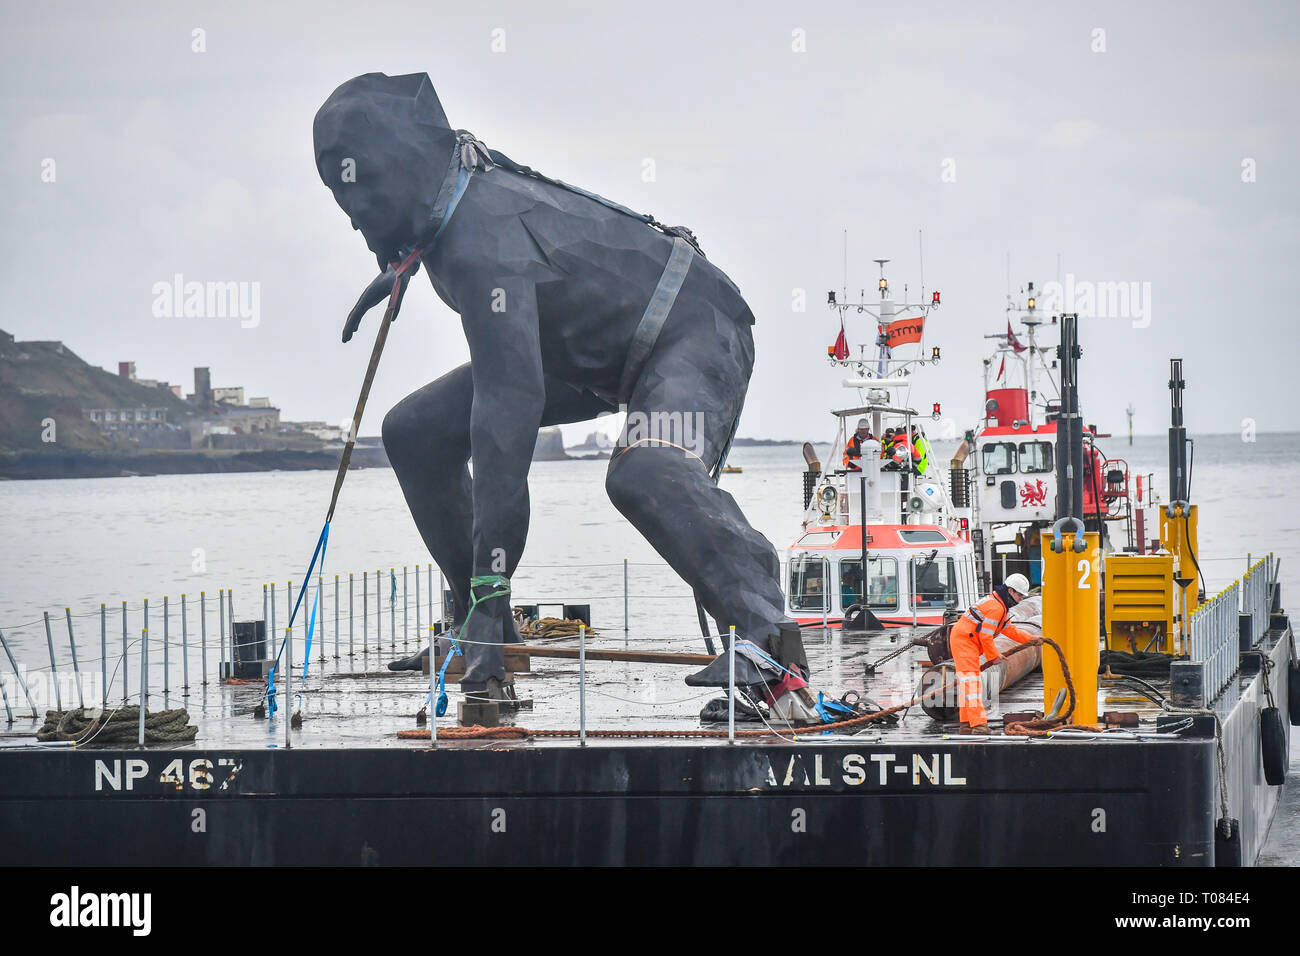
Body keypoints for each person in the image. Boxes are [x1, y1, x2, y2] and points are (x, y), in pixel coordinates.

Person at [948, 573, 1033, 734]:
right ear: (1010, 591)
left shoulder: (999, 605)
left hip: (965, 640)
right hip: (965, 642)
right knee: (972, 684)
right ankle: (978, 725)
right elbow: (985, 635)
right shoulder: (996, 608)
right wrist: (993, 657)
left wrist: (1033, 639)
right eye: (1020, 595)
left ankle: (967, 725)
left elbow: (1010, 630)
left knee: (968, 684)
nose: (1021, 599)